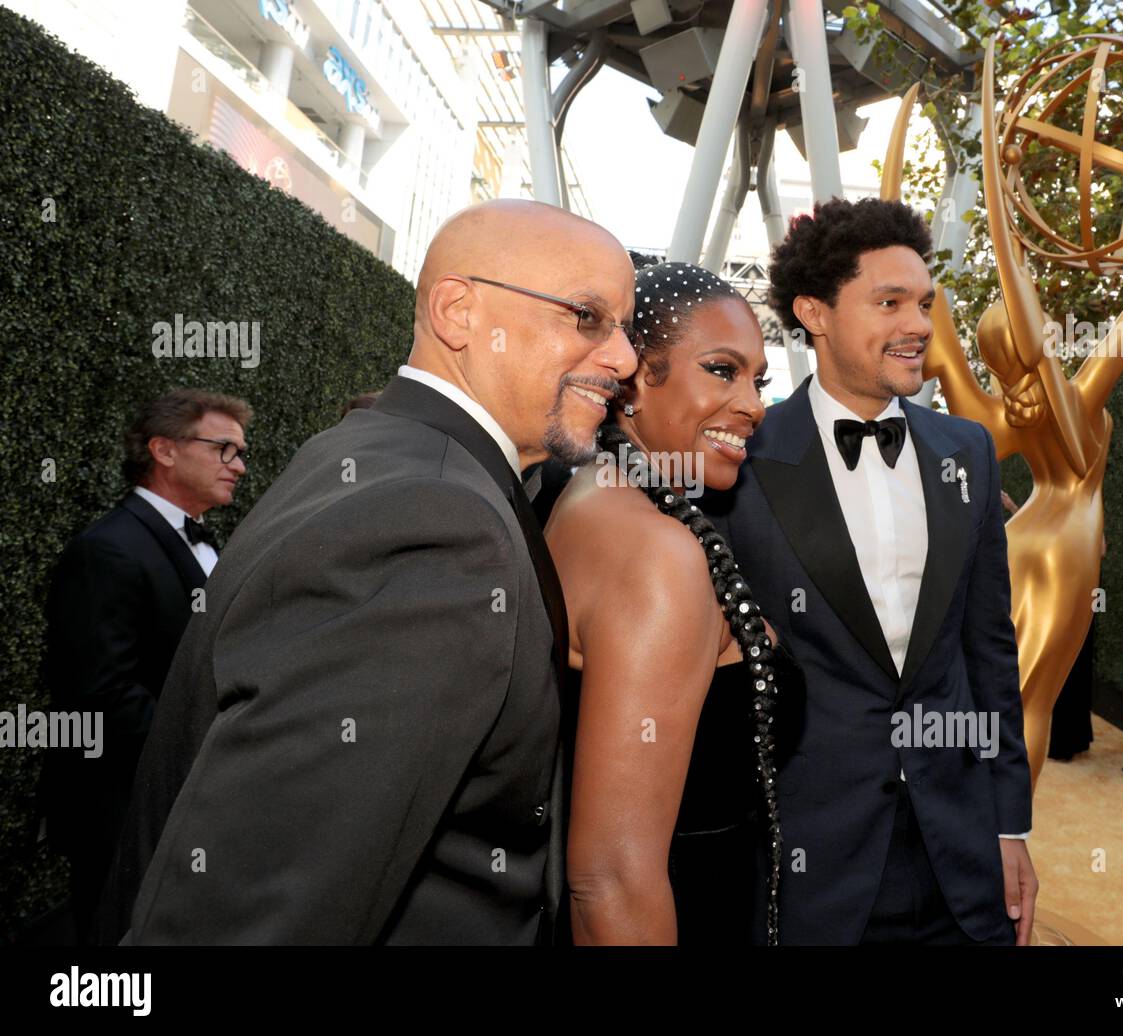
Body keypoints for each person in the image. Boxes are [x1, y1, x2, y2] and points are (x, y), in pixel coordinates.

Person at [95, 198, 638, 945]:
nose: (625, 359)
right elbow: (253, 914)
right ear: (459, 311)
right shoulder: (439, 523)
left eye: (625, 326)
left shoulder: (383, 453)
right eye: (586, 315)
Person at [706, 197, 1037, 945]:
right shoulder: (741, 458)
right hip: (808, 859)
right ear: (814, 313)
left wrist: (1009, 822)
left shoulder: (969, 452)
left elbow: (988, 651)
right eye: (888, 302)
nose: (918, 325)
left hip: (960, 854)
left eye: (923, 303)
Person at [545, 261, 804, 945]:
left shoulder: (601, 500)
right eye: (722, 370)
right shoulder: (651, 550)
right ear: (633, 381)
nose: (752, 405)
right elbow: (611, 882)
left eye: (759, 379)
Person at [40, 387, 250, 943]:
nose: (240, 466)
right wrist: (209, 747)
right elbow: (100, 695)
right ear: (164, 450)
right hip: (123, 806)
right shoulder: (108, 550)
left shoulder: (198, 541)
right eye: (224, 449)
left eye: (241, 452)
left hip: (184, 801)